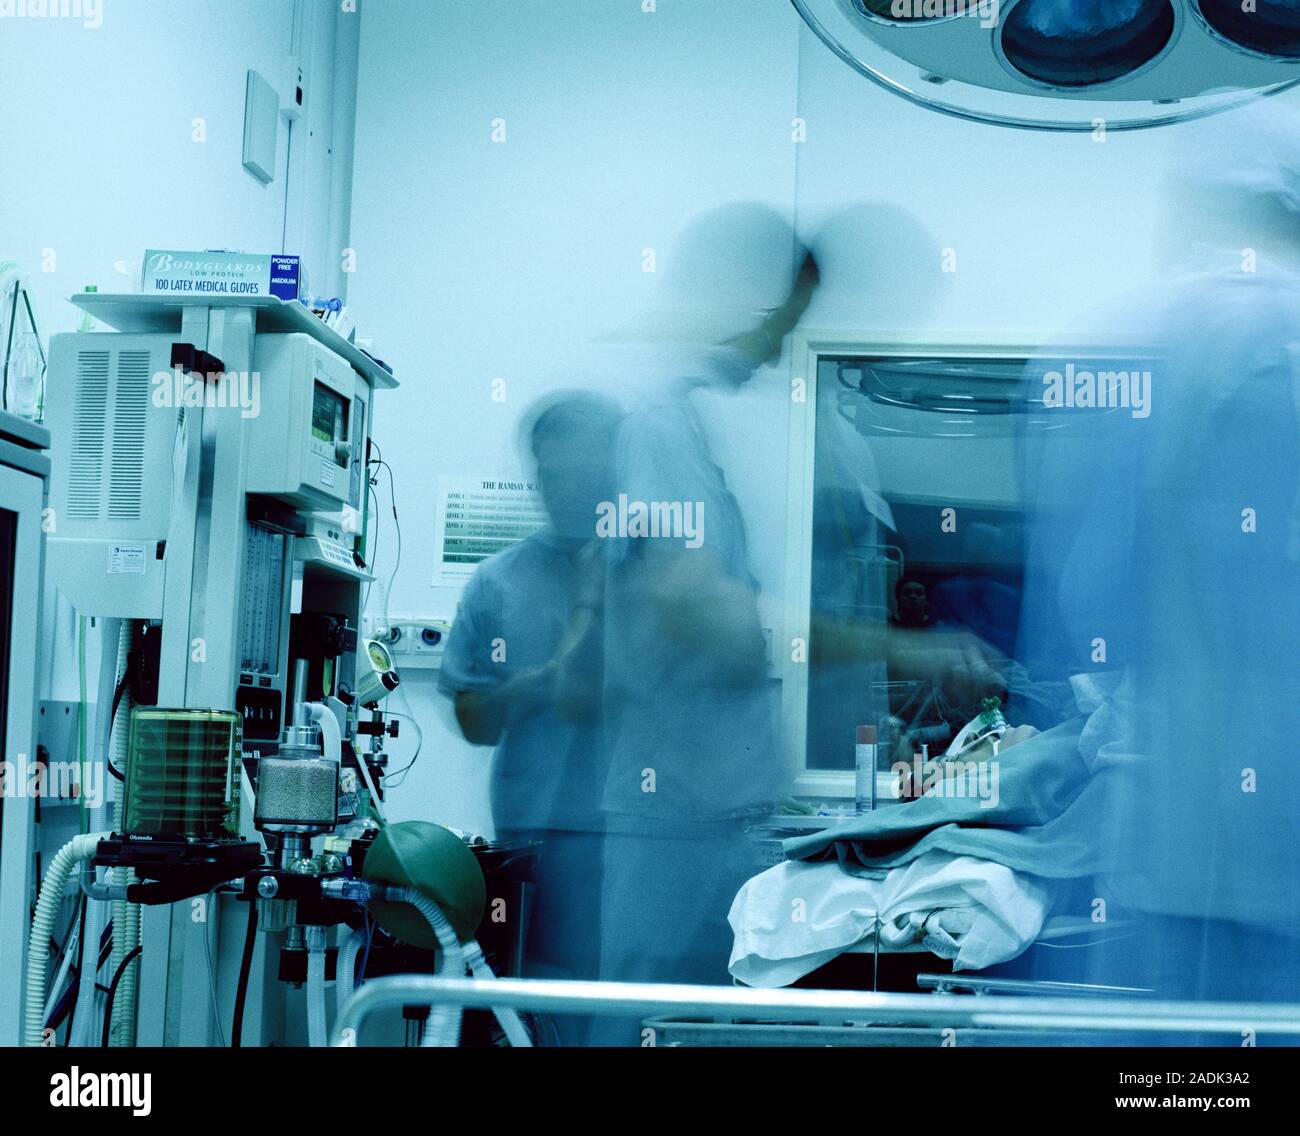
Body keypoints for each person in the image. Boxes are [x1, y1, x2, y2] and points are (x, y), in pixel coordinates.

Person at [438, 391, 622, 1044]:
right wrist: (539, 685)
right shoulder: (499, 582)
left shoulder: (658, 579)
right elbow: (474, 722)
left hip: (642, 845)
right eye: (553, 474)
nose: (567, 490)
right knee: (535, 1020)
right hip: (535, 849)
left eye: (586, 473)